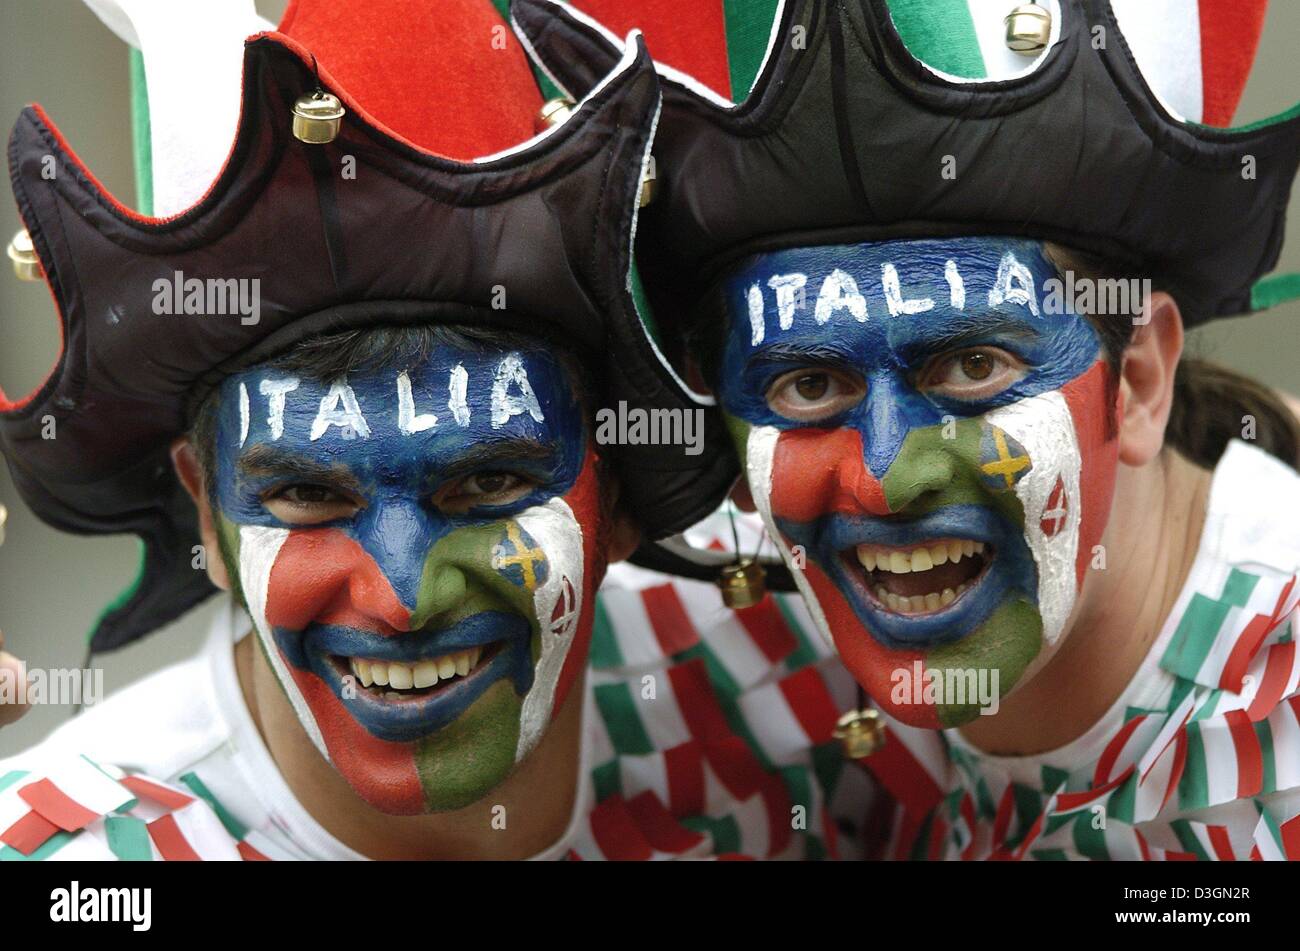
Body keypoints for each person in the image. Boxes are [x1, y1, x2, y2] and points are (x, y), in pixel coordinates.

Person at [0, 0, 866, 861]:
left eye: (487, 483)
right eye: (307, 492)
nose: (404, 596)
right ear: (206, 515)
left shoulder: (801, 696)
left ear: (624, 494)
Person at [516, 0, 1300, 859]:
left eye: (972, 368)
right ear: (726, 441)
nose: (886, 476)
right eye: (809, 383)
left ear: (1139, 383)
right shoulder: (730, 660)